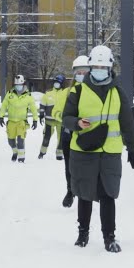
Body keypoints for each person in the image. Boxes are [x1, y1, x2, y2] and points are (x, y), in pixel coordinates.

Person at [61, 45, 134, 252]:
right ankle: (83, 234)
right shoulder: (78, 90)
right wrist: (77, 123)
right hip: (84, 150)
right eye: (95, 66)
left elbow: (127, 123)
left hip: (110, 153)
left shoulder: (117, 93)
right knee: (84, 194)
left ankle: (109, 237)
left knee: (108, 194)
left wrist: (133, 148)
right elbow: (65, 118)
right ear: (90, 66)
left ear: (111, 67)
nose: (99, 69)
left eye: (103, 66)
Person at [58, 55, 90, 207]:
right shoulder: (66, 92)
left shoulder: (93, 92)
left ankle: (85, 192)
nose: (81, 75)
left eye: (85, 72)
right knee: (69, 166)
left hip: (87, 135)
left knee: (86, 166)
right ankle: (70, 191)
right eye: (79, 72)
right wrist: (66, 119)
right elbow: (57, 111)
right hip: (68, 135)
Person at [0, 74, 36, 163]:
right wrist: (1, 116)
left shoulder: (28, 96)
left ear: (23, 84)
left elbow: (34, 109)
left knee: (20, 140)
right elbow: (4, 106)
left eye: (19, 85)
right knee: (11, 141)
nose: (18, 87)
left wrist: (35, 120)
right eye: (16, 85)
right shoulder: (9, 94)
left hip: (21, 122)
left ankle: (21, 158)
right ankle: (15, 152)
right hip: (11, 122)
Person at [39, 75, 67, 159]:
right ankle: (42, 153)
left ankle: (59, 154)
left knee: (61, 138)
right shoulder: (48, 93)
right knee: (46, 137)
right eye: (55, 83)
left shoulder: (65, 93)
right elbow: (42, 104)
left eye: (58, 83)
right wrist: (41, 114)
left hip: (61, 120)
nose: (56, 84)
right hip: (49, 120)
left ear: (62, 84)